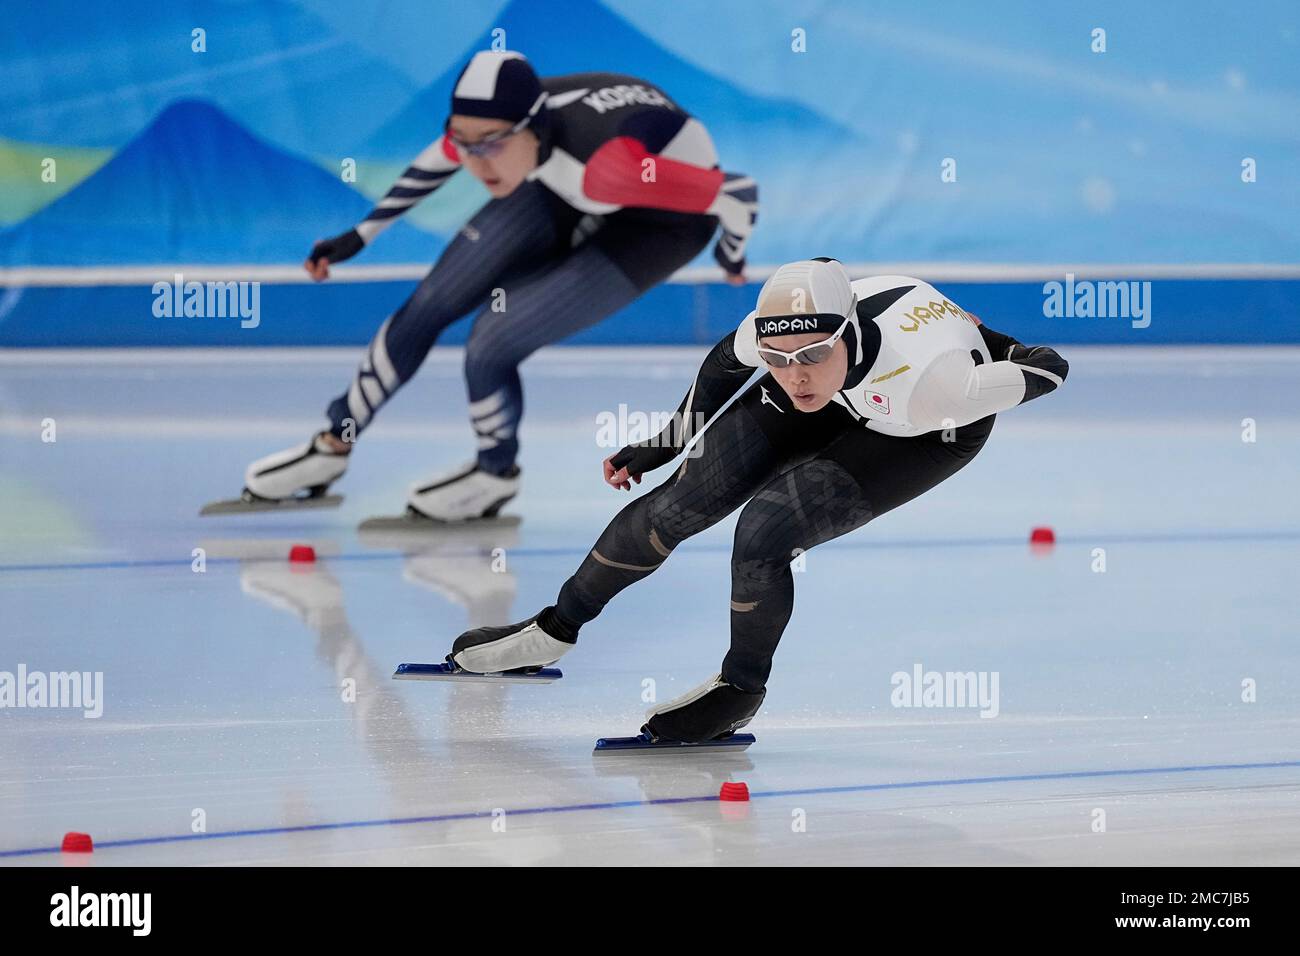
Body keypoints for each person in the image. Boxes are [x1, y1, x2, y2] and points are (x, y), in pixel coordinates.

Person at [444, 258, 1069, 743]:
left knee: (764, 531)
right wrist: (669, 438)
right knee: (680, 501)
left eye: (813, 355)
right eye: (777, 358)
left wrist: (1015, 353)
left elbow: (1050, 368)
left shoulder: (942, 387)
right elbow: (724, 365)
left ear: (847, 334)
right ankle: (555, 629)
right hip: (851, 393)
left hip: (920, 426)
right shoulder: (788, 340)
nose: (796, 373)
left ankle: (740, 689)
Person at [241, 50, 757, 520]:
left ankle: (494, 473)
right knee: (431, 301)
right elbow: (444, 158)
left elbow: (738, 194)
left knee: (492, 339)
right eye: (463, 144)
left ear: (533, 129)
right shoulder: (501, 126)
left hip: (657, 221)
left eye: (489, 146)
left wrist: (729, 256)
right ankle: (332, 444)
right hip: (559, 181)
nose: (474, 163)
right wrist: (360, 234)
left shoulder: (611, 167)